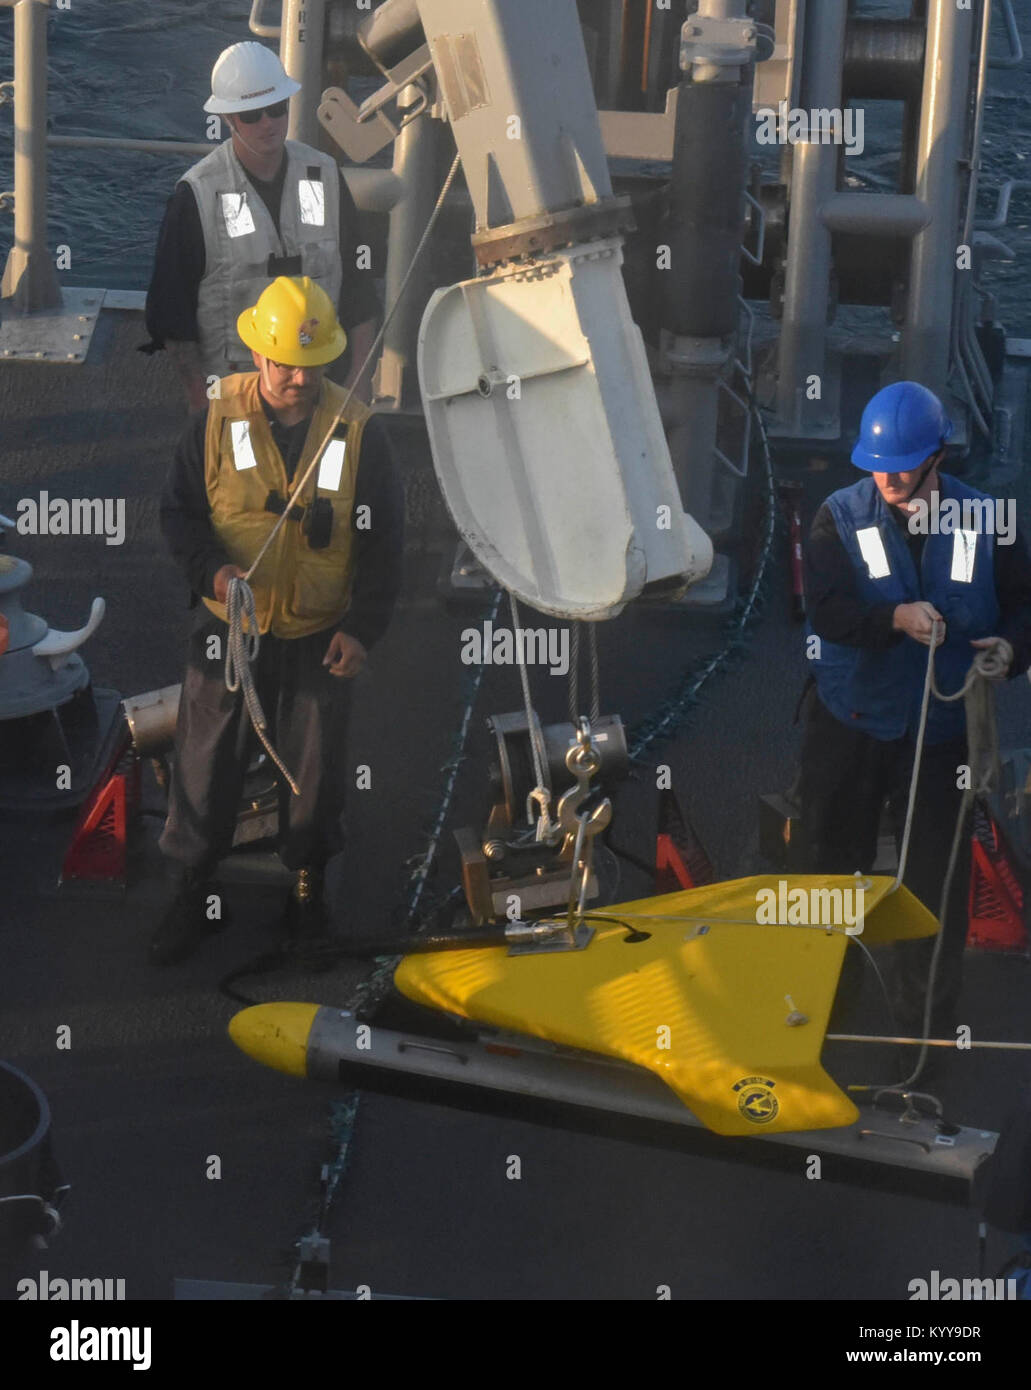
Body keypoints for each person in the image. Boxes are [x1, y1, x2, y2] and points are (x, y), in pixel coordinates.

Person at [153, 276, 403, 966]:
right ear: (256, 356)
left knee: (316, 773)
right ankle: (192, 889)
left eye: (311, 362)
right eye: (284, 362)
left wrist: (363, 631)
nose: (298, 377)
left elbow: (384, 543)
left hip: (318, 634)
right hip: (227, 629)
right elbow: (179, 513)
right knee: (204, 764)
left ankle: (305, 887)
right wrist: (212, 573)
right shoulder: (212, 420)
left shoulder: (358, 434)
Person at [798, 380, 1031, 1035]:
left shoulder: (988, 522)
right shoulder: (836, 518)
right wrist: (891, 617)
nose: (887, 479)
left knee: (932, 888)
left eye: (901, 466)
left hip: (940, 738)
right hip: (850, 726)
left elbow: (1024, 606)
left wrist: (1011, 649)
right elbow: (827, 610)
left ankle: (920, 1034)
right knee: (824, 875)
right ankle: (815, 1013)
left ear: (937, 461)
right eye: (875, 468)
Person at [143, 41, 379, 411]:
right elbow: (172, 313)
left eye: (276, 109)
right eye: (252, 114)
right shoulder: (199, 196)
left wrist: (359, 381)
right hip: (236, 397)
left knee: (332, 469)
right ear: (229, 120)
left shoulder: (324, 176)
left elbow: (359, 287)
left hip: (321, 388)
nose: (267, 123)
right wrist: (200, 399)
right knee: (241, 469)